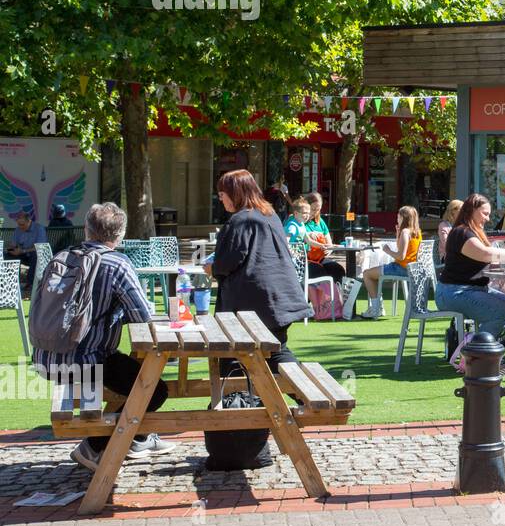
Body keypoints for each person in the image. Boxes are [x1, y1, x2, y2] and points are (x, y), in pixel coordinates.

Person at [33, 202, 178, 471]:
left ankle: (139, 437)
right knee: (155, 390)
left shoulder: (61, 257)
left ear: (87, 230)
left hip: (46, 357)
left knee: (130, 378)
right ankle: (96, 446)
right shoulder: (116, 263)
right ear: (119, 235)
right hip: (87, 360)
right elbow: (143, 317)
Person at [209, 170, 312, 377]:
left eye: (222, 195)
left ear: (234, 193)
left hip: (254, 304)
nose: (222, 201)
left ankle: (234, 402)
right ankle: (304, 397)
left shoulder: (240, 220)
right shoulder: (269, 215)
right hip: (280, 299)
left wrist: (211, 268)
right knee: (276, 351)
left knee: (236, 353)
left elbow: (227, 262)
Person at [436, 193, 505, 338]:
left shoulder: (472, 232)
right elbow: (485, 254)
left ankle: (491, 346)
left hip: (472, 289)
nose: (487, 219)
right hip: (454, 292)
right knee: (501, 313)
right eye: (485, 214)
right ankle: (474, 353)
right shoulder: (462, 233)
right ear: (471, 211)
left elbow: (484, 260)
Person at [360, 205, 422, 319]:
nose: (397, 219)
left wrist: (387, 251)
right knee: (374, 274)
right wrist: (397, 234)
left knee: (367, 274)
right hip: (412, 268)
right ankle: (378, 307)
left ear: (404, 218)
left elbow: (401, 256)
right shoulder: (416, 232)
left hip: (401, 268)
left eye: (399, 216)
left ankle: (375, 309)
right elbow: (402, 248)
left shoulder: (405, 232)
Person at [300, 191, 345, 286]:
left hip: (320, 258)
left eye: (318, 209)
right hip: (305, 259)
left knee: (338, 270)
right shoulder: (299, 220)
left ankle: (338, 298)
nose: (315, 212)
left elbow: (329, 243)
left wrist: (329, 250)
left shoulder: (320, 222)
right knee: (319, 271)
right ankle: (323, 299)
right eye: (313, 209)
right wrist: (307, 235)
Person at [6, 209, 46, 291]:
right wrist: (11, 249)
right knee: (7, 255)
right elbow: (13, 244)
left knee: (35, 255)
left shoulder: (39, 229)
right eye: (18, 224)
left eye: (22, 224)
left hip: (35, 254)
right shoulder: (18, 229)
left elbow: (39, 247)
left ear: (29, 221)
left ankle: (30, 283)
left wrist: (22, 251)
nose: (20, 227)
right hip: (22, 254)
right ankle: (10, 282)